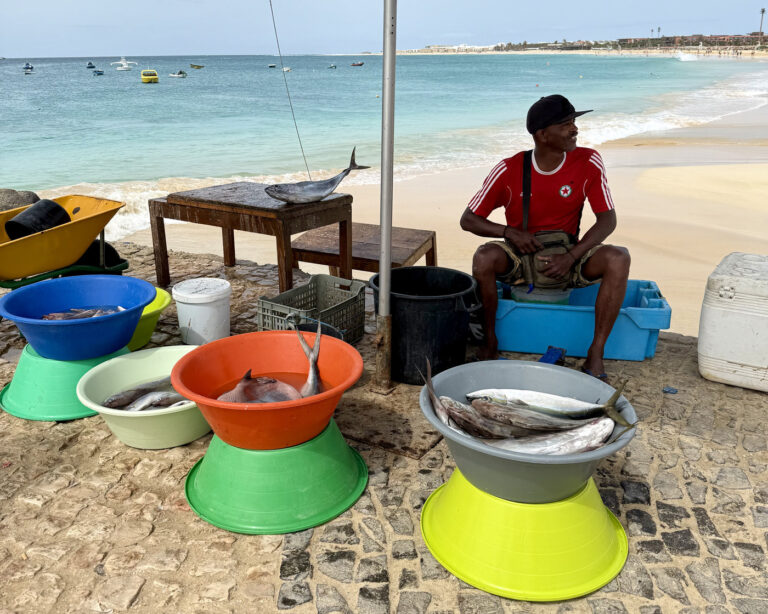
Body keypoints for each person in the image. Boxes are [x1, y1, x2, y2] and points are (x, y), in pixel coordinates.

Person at [459, 94, 630, 380]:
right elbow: (468, 219)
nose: (575, 129)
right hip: (520, 257)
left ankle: (595, 354)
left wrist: (572, 256)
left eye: (574, 122)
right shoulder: (509, 168)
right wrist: (508, 232)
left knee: (618, 257)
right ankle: (489, 341)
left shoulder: (589, 161)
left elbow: (607, 219)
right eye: (566, 124)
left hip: (569, 254)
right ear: (542, 135)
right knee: (484, 256)